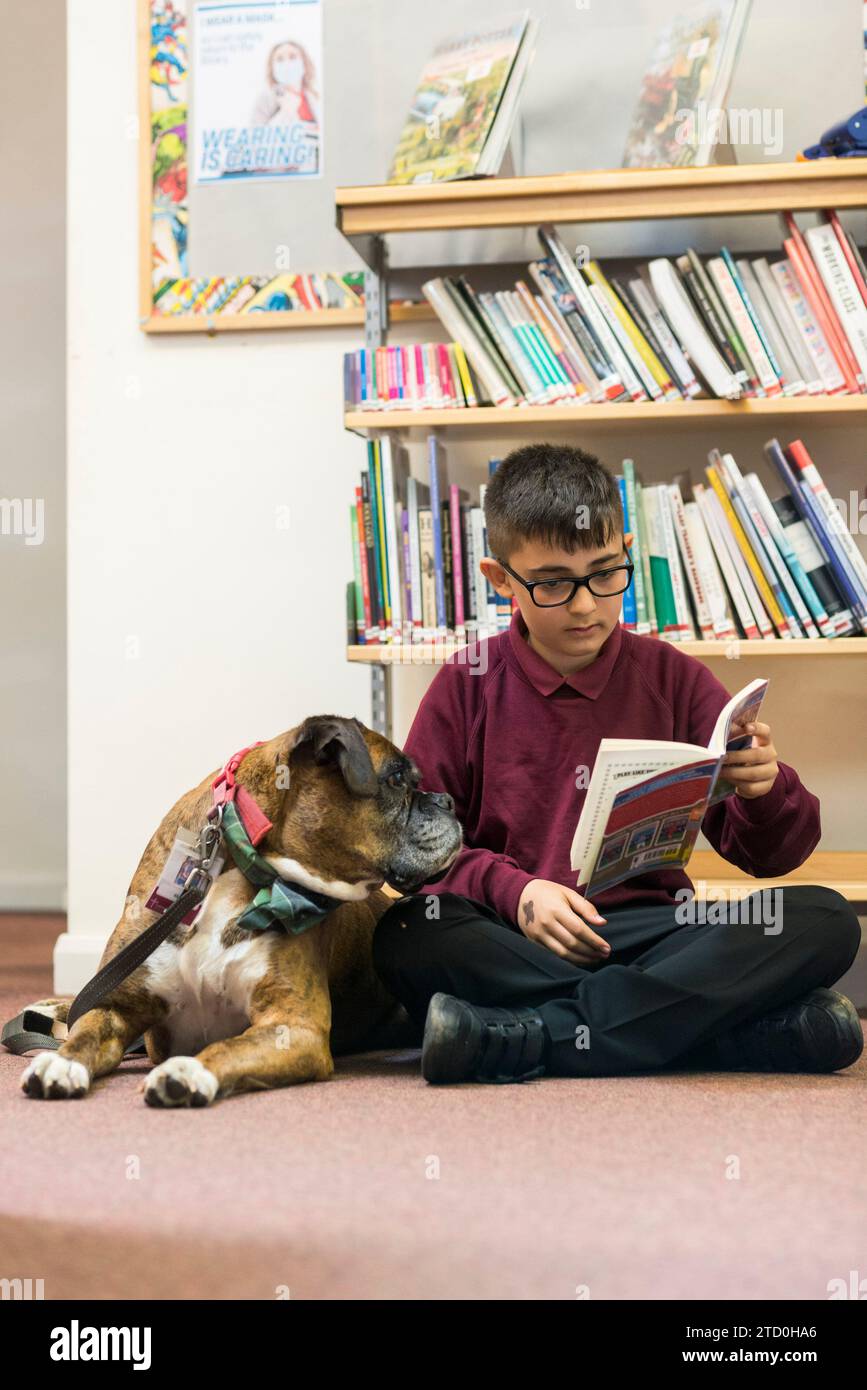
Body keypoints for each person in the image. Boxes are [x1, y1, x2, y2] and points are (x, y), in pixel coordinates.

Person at [373, 444, 863, 1084]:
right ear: (500, 579)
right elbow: (415, 853)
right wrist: (516, 893)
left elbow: (772, 858)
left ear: (626, 548)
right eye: (553, 583)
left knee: (823, 919)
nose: (585, 605)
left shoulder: (673, 678)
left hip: (657, 931)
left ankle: (535, 1034)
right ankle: (722, 1030)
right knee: (408, 933)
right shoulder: (466, 684)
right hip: (520, 934)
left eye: (605, 573)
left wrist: (764, 790)